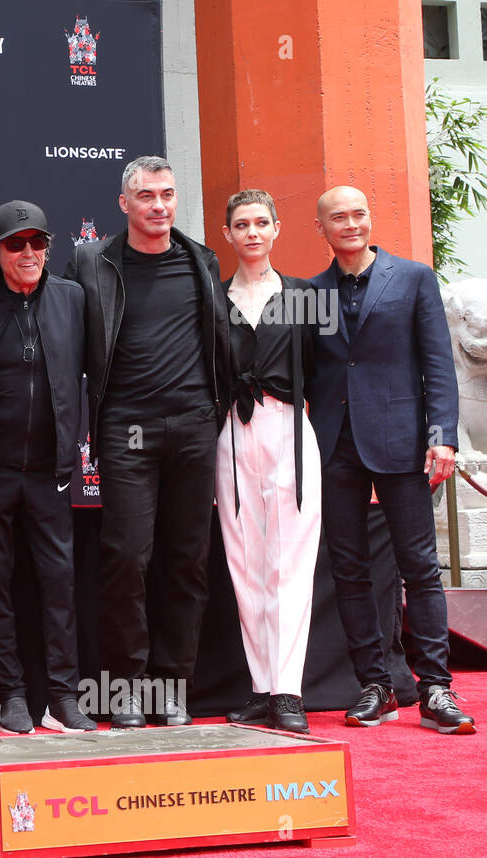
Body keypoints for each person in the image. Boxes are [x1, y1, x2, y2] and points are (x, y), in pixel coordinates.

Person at [65, 155, 231, 728]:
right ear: (124, 204)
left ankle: (173, 687)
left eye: (167, 194)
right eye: (147, 196)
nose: (159, 205)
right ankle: (127, 687)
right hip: (124, 429)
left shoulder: (200, 260)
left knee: (188, 562)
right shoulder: (92, 262)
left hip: (193, 427)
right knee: (126, 559)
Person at [308, 185, 474, 733]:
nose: (350, 223)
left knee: (419, 568)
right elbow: (306, 373)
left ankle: (436, 690)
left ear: (369, 218)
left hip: (403, 441)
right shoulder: (310, 294)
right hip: (335, 444)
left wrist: (442, 435)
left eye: (358, 213)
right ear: (322, 229)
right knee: (350, 570)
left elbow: (438, 363)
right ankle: (374, 685)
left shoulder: (413, 278)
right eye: (338, 217)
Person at [0, 200, 94, 734]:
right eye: (16, 244)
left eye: (38, 242)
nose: (29, 253)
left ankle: (63, 697)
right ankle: (12, 695)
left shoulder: (72, 299)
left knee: (58, 585)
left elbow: (96, 372)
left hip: (52, 471)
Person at [215, 190, 320, 734]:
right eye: (241, 224)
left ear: (277, 229)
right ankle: (260, 687)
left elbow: (327, 375)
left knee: (290, 565)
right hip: (232, 432)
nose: (252, 232)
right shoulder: (214, 298)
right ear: (227, 234)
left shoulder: (304, 295)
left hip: (290, 430)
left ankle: (289, 691)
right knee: (245, 565)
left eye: (262, 222)